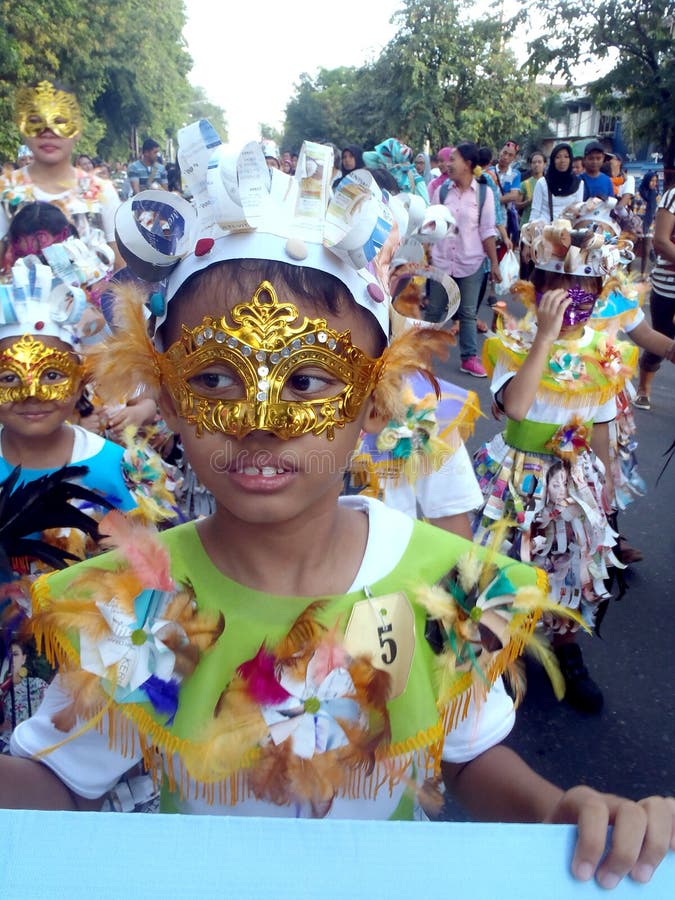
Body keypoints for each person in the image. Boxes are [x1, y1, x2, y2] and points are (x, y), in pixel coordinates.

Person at [1, 138, 673, 891]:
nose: (261, 423)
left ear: (373, 400)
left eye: (307, 381)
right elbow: (56, 781)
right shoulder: (140, 601)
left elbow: (471, 755)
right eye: (213, 377)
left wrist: (561, 817)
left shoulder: (433, 582)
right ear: (162, 390)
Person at [474, 207, 639, 714]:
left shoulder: (606, 351)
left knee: (573, 565)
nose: (571, 297)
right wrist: (543, 338)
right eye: (558, 284)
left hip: (577, 477)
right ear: (536, 285)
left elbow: (606, 421)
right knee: (511, 562)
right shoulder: (512, 341)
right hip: (517, 472)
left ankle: (566, 649)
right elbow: (515, 407)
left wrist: (609, 485)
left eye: (584, 285)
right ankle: (504, 649)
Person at [0, 81, 122, 269]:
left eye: (59, 121)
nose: (48, 132)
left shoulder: (101, 191)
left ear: (78, 130)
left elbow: (120, 270)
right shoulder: (5, 189)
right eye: (35, 121)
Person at [428, 142, 500, 378]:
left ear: (468, 164)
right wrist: (425, 249)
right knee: (434, 311)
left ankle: (469, 358)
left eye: (454, 159)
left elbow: (487, 230)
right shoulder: (441, 191)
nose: (448, 164)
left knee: (468, 313)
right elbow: (431, 224)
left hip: (471, 262)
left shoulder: (484, 193)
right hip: (441, 261)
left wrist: (495, 264)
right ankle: (418, 354)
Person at [634, 178, 675, 410]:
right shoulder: (672, 196)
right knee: (658, 338)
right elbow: (660, 241)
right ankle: (644, 388)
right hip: (668, 286)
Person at [530, 143, 584, 224]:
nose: (562, 161)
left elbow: (578, 210)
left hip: (568, 231)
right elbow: (535, 212)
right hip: (545, 231)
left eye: (566, 157)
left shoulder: (578, 184)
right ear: (553, 160)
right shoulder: (542, 183)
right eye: (558, 157)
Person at [363, 138, 430, 203]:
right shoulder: (383, 172)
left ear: (396, 157)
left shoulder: (415, 178)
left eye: (388, 155)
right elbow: (366, 156)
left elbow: (425, 204)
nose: (385, 157)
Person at [486, 140, 522, 244]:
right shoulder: (489, 171)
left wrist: (490, 200)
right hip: (487, 217)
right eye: (504, 153)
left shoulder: (515, 174)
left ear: (514, 158)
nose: (506, 157)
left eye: (510, 155)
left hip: (504, 219)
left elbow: (514, 195)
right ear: (500, 152)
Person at [518, 150, 546, 226]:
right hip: (526, 225)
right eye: (534, 162)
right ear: (530, 165)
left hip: (544, 225)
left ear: (544, 164)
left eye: (539, 162)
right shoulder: (524, 184)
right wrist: (528, 201)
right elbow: (516, 205)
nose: (536, 164)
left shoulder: (549, 183)